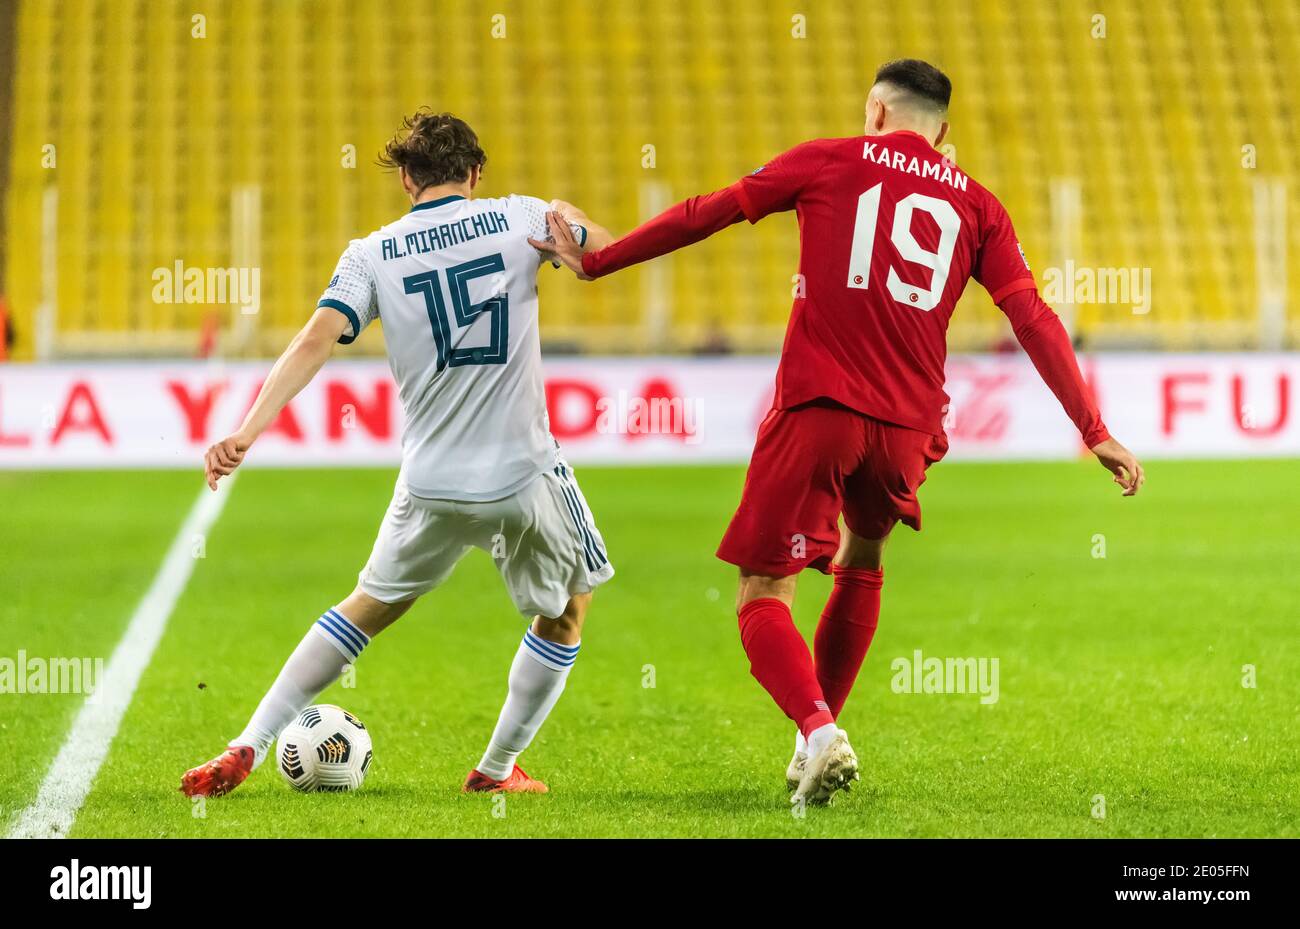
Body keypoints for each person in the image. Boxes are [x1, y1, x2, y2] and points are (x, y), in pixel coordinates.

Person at [535, 59, 1144, 806]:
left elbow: (706, 211)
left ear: (875, 111)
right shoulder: (980, 205)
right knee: (864, 555)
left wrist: (600, 260)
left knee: (764, 588)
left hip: (822, 405)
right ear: (942, 130)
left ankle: (819, 729)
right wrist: (1095, 427)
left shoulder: (829, 158)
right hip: (908, 429)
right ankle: (811, 743)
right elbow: (1034, 317)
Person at [181, 110, 614, 798]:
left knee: (364, 608)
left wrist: (247, 428)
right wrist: (575, 232)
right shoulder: (523, 216)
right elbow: (602, 253)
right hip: (522, 474)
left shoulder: (372, 253)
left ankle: (247, 743)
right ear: (475, 175)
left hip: (431, 483)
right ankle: (495, 770)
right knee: (569, 605)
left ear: (406, 180)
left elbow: (316, 339)